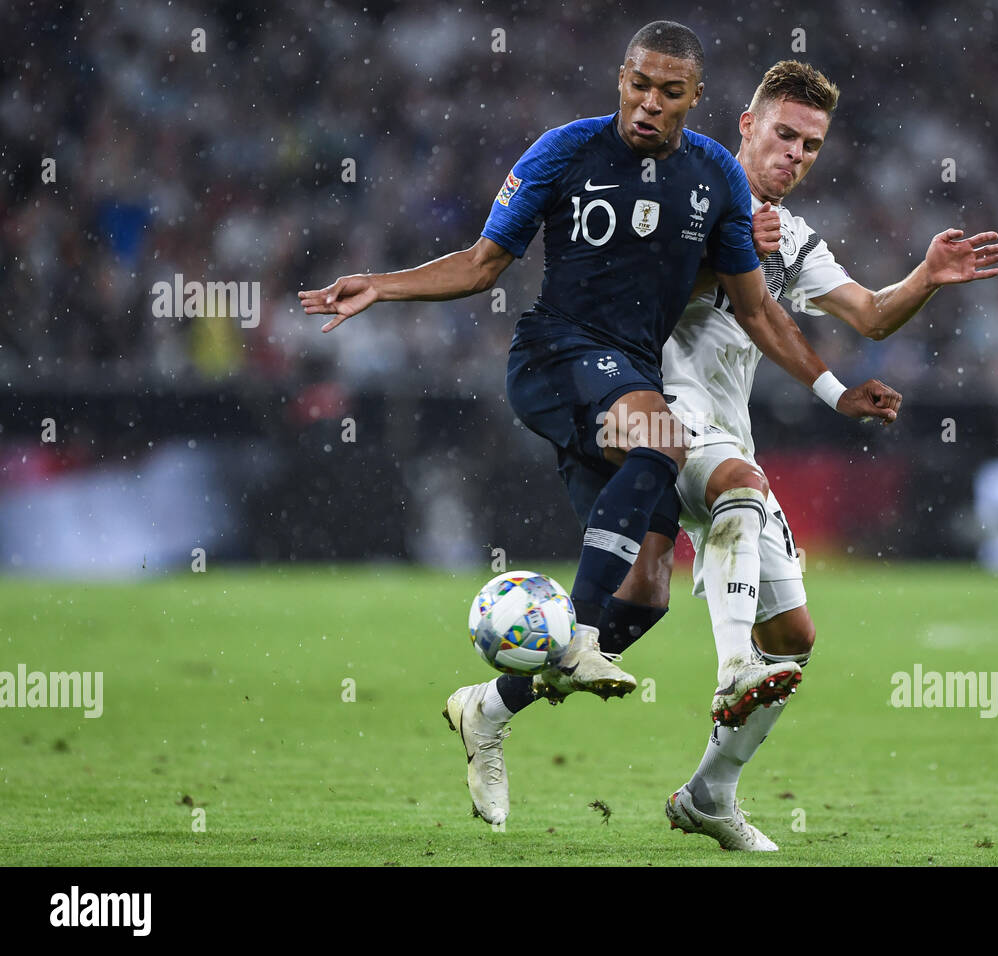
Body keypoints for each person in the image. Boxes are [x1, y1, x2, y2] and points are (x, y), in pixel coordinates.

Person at [298, 24, 897, 827]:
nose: (650, 103)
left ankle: (489, 708)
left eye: (670, 91)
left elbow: (754, 307)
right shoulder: (566, 151)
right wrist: (382, 283)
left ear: (696, 100)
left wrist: (831, 385)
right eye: (638, 83)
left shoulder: (715, 176)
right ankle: (579, 638)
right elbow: (483, 263)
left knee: (646, 595)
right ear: (621, 77)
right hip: (556, 357)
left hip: (630, 382)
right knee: (661, 437)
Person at [655, 60, 998, 850]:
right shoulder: (681, 191)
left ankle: (709, 794)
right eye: (784, 135)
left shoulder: (794, 236)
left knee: (796, 639)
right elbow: (639, 295)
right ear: (745, 126)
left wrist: (927, 275)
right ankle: (729, 670)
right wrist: (728, 248)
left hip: (725, 429)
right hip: (654, 412)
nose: (795, 155)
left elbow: (872, 316)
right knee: (738, 490)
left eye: (811, 145)